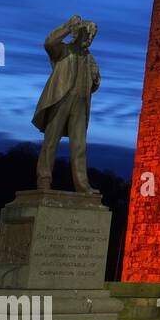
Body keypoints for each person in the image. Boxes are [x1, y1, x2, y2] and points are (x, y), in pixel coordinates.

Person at [32, 15, 101, 194]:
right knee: (51, 142)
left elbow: (93, 85)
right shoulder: (63, 50)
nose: (89, 40)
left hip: (80, 103)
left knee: (79, 146)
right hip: (61, 99)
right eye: (87, 35)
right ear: (77, 34)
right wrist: (67, 26)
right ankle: (44, 180)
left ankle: (82, 185)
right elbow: (49, 43)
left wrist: (95, 79)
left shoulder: (90, 59)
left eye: (92, 37)